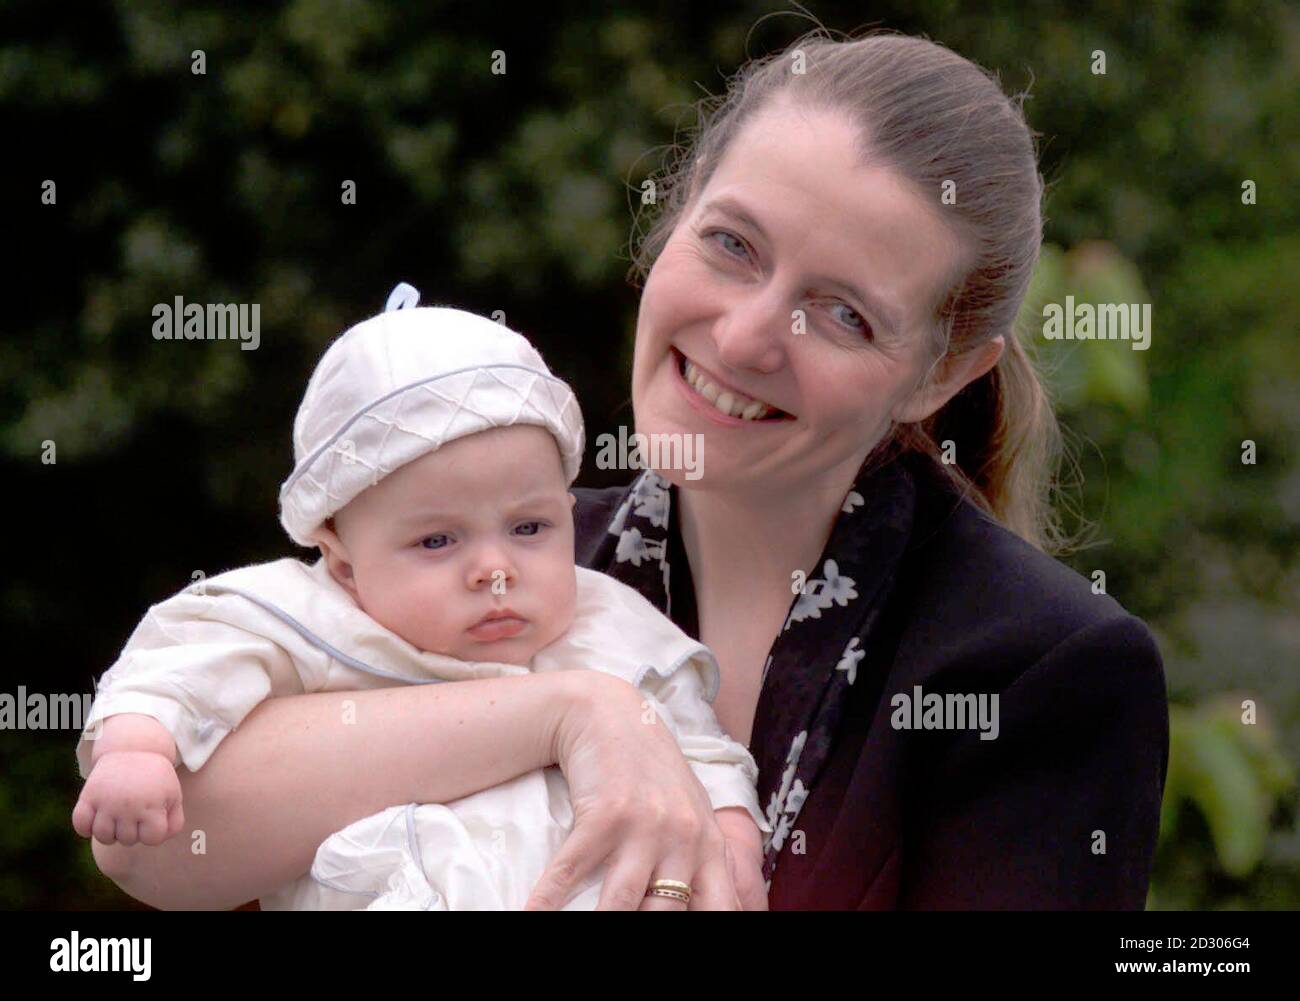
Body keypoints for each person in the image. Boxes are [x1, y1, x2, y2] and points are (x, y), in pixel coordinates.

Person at [88, 29, 1169, 911]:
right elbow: (160, 842)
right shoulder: (512, 548)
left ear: (939, 373)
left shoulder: (1039, 667)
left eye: (841, 313)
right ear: (674, 211)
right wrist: (579, 714)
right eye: (733, 245)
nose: (747, 336)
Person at [72, 292, 768, 910]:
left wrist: (733, 828)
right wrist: (137, 746)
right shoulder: (307, 613)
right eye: (438, 540)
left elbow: (695, 741)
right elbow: (187, 653)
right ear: (342, 557)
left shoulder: (606, 618)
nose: (494, 569)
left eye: (530, 527)